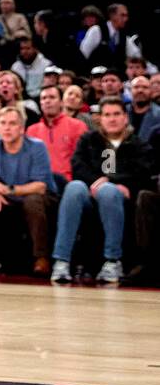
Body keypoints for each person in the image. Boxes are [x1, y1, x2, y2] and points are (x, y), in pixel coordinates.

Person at [51, 98, 152, 285]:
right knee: (74, 187)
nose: (112, 119)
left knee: (107, 191)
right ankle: (61, 261)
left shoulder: (138, 144)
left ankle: (112, 261)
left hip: (121, 201)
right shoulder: (88, 140)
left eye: (116, 114)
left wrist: (113, 182)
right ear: (100, 119)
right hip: (90, 196)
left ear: (125, 118)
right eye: (107, 115)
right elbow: (77, 166)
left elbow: (143, 172)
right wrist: (96, 182)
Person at [0, 106, 57, 277]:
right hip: (7, 197)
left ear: (22, 128)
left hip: (40, 198)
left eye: (12, 124)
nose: (7, 128)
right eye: (3, 124)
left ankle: (41, 258)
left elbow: (40, 186)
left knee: (32, 200)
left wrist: (6, 189)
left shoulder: (37, 147)